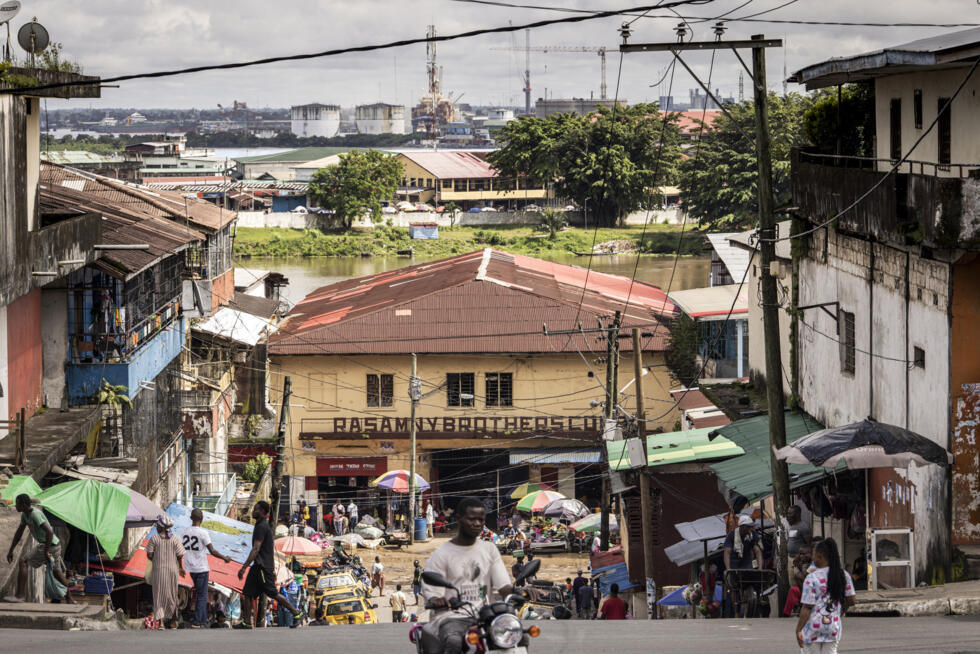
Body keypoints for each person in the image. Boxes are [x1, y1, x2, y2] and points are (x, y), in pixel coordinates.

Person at [421, 497, 519, 653]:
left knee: (518, 637)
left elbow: (503, 585)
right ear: (458, 518)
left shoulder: (489, 549)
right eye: (472, 519)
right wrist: (436, 599)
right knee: (454, 642)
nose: (477, 524)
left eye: (481, 520)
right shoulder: (442, 554)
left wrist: (518, 591)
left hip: (484, 615)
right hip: (452, 616)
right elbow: (432, 590)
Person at [237, 501, 303, 629]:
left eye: (255, 509)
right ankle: (246, 622)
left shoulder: (262, 526)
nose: (253, 511)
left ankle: (296, 613)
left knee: (272, 593)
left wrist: (244, 567)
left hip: (262, 567)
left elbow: (256, 549)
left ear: (262, 511)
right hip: (258, 567)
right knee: (248, 593)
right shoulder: (260, 525)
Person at [5, 494, 73, 603]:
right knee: (56, 572)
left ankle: (20, 596)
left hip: (49, 545)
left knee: (23, 561)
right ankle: (69, 598)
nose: (15, 506)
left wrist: (46, 551)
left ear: (23, 505)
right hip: (53, 545)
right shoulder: (25, 515)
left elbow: (49, 531)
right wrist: (11, 550)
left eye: (17, 504)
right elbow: (19, 533)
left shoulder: (35, 515)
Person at [796, 538, 856, 653]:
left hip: (812, 629)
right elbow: (852, 600)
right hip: (832, 627)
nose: (812, 559)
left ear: (820, 556)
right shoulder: (843, 575)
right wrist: (839, 611)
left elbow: (807, 607)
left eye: (813, 555)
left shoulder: (811, 578)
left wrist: (798, 629)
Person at [183, 508, 232, 628]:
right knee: (201, 595)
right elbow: (212, 550)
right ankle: (196, 622)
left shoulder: (184, 531)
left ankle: (203, 620)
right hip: (201, 567)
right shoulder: (203, 533)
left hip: (191, 567)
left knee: (201, 594)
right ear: (202, 519)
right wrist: (224, 558)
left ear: (191, 518)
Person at [146, 514, 186, 628]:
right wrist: (181, 568)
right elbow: (180, 555)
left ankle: (162, 623)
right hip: (173, 571)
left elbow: (149, 554)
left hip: (159, 571)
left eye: (158, 525)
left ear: (161, 527)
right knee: (172, 595)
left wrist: (156, 559)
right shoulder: (175, 539)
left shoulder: (154, 538)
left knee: (159, 596)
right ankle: (173, 621)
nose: (157, 528)